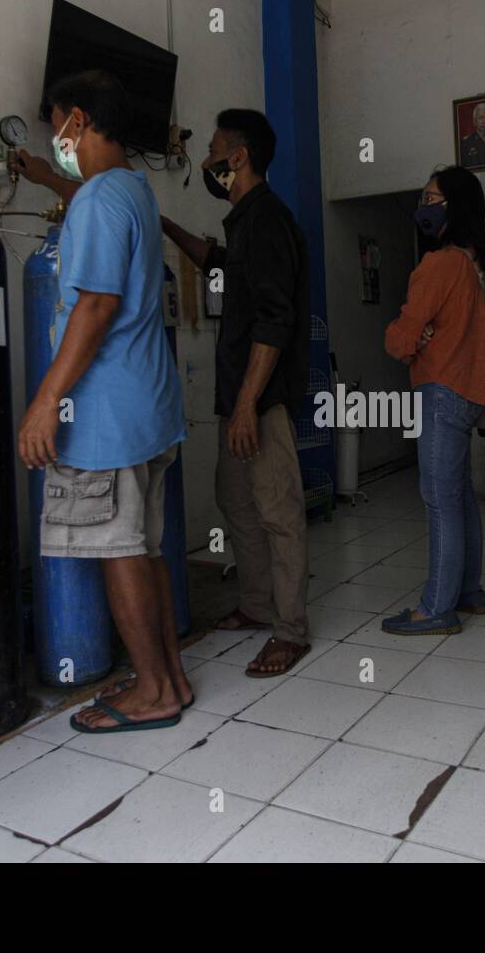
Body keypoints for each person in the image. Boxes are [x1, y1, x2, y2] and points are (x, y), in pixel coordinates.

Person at [12, 70, 190, 732]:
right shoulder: (133, 191)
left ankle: (153, 692)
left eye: (57, 126)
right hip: (149, 410)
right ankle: (169, 678)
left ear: (77, 121)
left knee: (119, 551)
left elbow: (95, 303)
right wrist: (42, 176)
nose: (56, 139)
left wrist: (44, 401)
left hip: (106, 415)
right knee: (144, 551)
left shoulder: (95, 204)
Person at [160, 109, 313, 678]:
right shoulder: (244, 222)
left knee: (277, 511)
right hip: (238, 397)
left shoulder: (268, 220)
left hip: (262, 399)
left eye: (214, 149)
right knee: (237, 501)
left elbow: (275, 319)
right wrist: (165, 225)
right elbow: (218, 264)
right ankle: (255, 603)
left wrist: (248, 403)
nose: (207, 161)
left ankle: (291, 630)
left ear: (239, 157)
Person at [383, 166, 485, 634]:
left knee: (439, 499)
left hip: (442, 391)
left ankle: (436, 606)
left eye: (433, 198)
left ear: (454, 207)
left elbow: (399, 339)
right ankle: (469, 591)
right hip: (470, 391)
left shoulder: (437, 265)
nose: (424, 206)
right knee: (459, 494)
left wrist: (404, 334)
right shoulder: (472, 267)